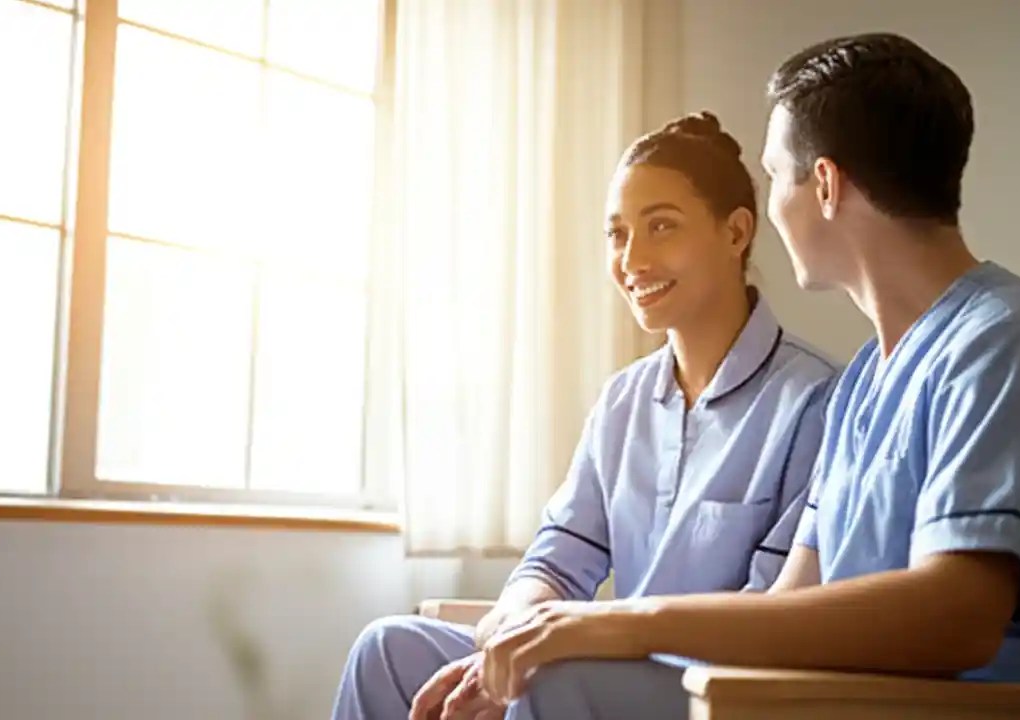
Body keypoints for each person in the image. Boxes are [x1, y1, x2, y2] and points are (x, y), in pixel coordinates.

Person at [474, 32, 1020, 718]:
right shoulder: (861, 386)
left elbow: (960, 616)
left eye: (774, 175)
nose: (771, 209)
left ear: (823, 183)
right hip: (851, 699)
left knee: (561, 687)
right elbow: (791, 604)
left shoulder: (1005, 341)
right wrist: (590, 632)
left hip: (982, 709)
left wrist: (628, 620)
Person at [330, 112, 839, 719]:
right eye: (618, 234)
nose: (633, 260)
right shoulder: (622, 401)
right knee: (386, 649)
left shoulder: (815, 402)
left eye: (661, 227)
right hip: (594, 668)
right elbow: (557, 558)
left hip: (711, 693)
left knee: (553, 685)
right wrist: (508, 640)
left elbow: (768, 618)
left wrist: (553, 661)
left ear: (735, 233)